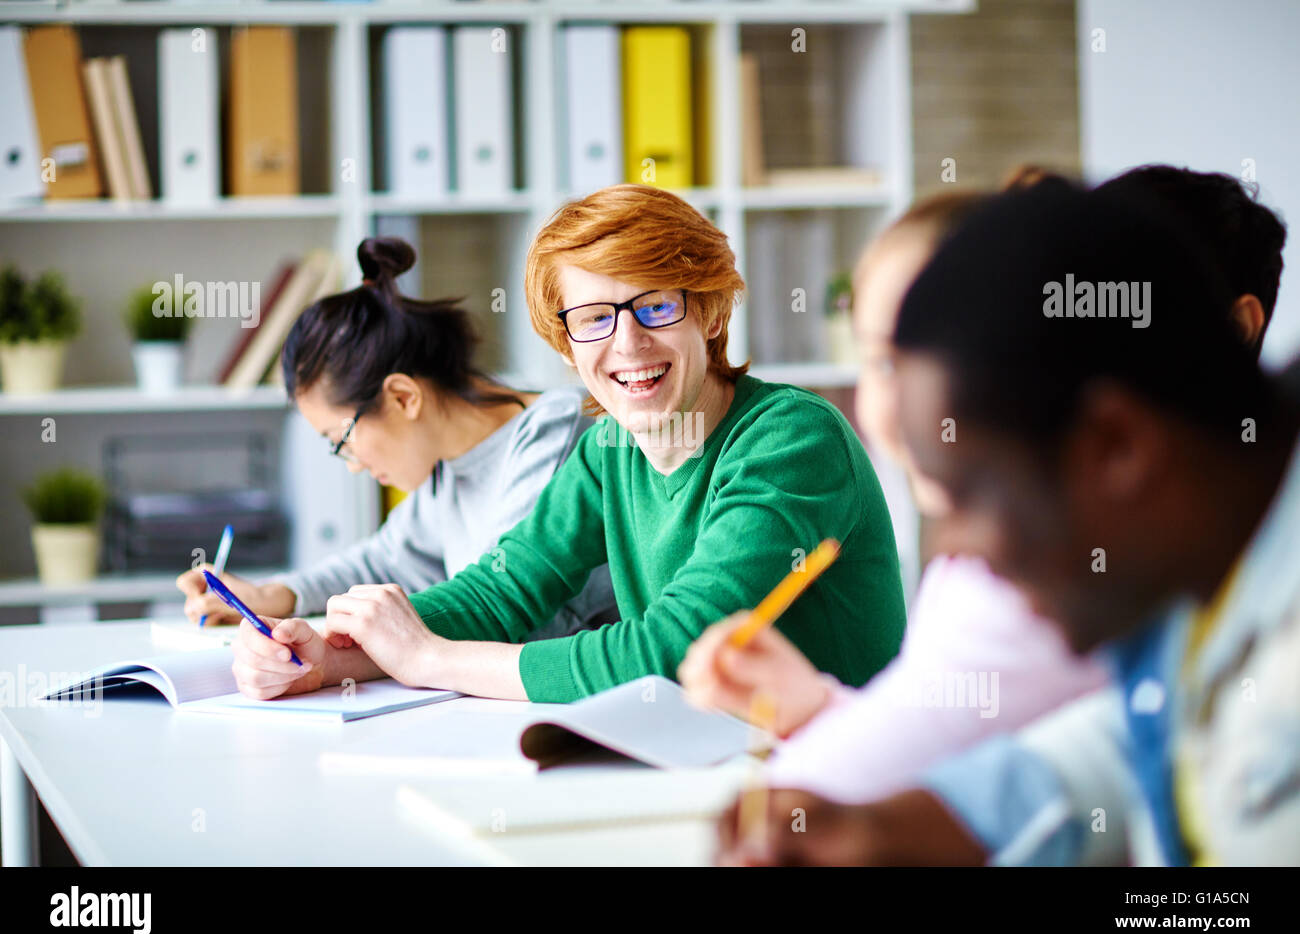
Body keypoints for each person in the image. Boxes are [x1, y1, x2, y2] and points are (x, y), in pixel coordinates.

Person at [716, 179, 1300, 866]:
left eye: (971, 496)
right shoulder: (1199, 563)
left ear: (1118, 448)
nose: (953, 547)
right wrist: (898, 830)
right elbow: (1134, 740)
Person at [226, 185, 908, 704]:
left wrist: (427, 660)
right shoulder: (607, 449)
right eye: (593, 319)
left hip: (829, 785)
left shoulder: (791, 438)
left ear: (708, 311)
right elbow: (500, 594)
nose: (628, 342)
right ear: (568, 343)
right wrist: (329, 654)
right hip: (695, 758)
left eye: (656, 306)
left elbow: (674, 648)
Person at [176, 236, 618, 642]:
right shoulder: (448, 466)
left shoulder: (554, 432)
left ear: (403, 396)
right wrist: (274, 594)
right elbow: (381, 560)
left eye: (341, 438)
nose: (352, 463)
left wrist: (339, 639)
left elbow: (501, 605)